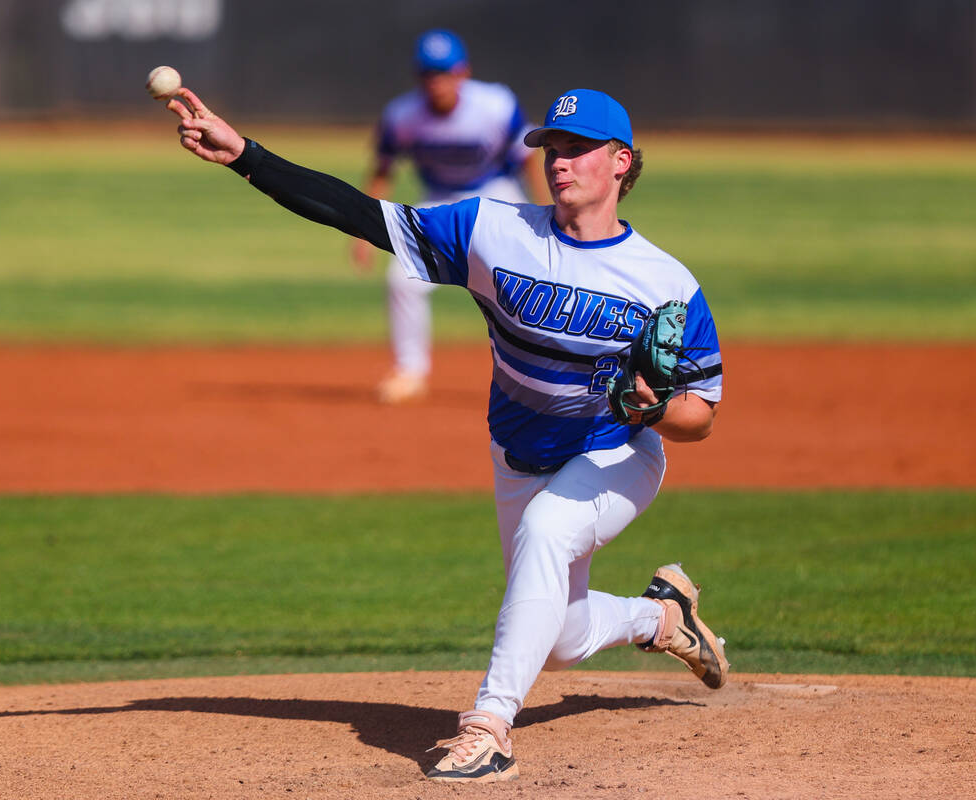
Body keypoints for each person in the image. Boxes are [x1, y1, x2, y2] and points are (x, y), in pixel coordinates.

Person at [166, 85, 728, 784]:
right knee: (560, 635)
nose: (560, 163)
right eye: (552, 148)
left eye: (577, 150)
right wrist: (245, 157)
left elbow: (699, 415)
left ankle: (488, 729)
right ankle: (661, 618)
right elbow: (361, 215)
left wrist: (649, 411)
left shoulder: (664, 283)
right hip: (518, 454)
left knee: (549, 533)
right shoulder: (492, 230)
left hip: (618, 454)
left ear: (620, 163)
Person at [352, 29, 549, 403]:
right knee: (403, 278)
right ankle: (410, 372)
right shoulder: (402, 115)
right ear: (418, 76)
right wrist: (362, 232)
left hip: (496, 193)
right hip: (439, 201)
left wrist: (546, 211)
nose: (437, 82)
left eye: (445, 72)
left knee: (532, 279)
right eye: (429, 73)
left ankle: (549, 372)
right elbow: (382, 170)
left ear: (463, 72)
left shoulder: (495, 105)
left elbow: (528, 159)